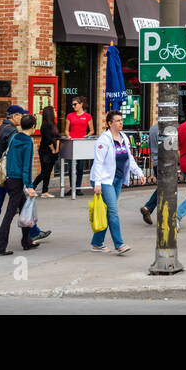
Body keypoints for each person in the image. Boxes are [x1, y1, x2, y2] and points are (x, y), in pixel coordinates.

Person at [0, 105, 49, 249]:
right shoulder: (14, 132)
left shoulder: (2, 128)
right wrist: (28, 184)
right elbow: (21, 160)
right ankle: (8, 241)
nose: (22, 118)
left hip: (2, 172)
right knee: (15, 207)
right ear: (14, 116)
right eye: (21, 115)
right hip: (10, 174)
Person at [89, 109, 146, 256]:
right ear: (110, 123)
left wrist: (139, 172)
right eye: (118, 121)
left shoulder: (124, 138)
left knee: (109, 211)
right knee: (113, 211)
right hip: (104, 180)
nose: (121, 123)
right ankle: (119, 244)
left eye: (121, 120)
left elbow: (129, 159)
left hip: (118, 179)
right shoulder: (104, 140)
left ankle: (96, 243)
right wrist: (97, 183)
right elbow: (98, 162)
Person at [0, 113, 40, 256]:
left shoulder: (14, 137)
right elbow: (26, 166)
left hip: (8, 177)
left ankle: (27, 241)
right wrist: (29, 186)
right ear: (33, 127)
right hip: (17, 180)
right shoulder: (28, 142)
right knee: (10, 213)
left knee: (24, 207)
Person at [65, 96, 94, 195]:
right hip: (72, 143)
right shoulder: (70, 116)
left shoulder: (87, 116)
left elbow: (92, 130)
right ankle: (72, 187)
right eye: (72, 104)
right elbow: (66, 129)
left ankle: (78, 188)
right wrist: (68, 136)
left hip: (82, 144)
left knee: (80, 167)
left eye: (75, 104)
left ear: (81, 104)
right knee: (70, 167)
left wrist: (86, 136)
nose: (73, 106)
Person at [34, 106, 60, 198]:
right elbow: (47, 139)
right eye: (54, 110)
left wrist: (56, 149)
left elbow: (57, 137)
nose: (56, 111)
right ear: (50, 113)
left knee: (48, 172)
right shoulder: (45, 125)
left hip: (53, 151)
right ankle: (32, 187)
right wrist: (53, 149)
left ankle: (45, 191)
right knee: (44, 172)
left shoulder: (54, 124)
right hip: (46, 151)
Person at [139, 118, 161, 224]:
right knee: (165, 188)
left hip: (156, 162)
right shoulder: (169, 129)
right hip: (165, 163)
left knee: (163, 187)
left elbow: (149, 146)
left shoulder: (152, 129)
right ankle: (148, 207)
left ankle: (149, 208)